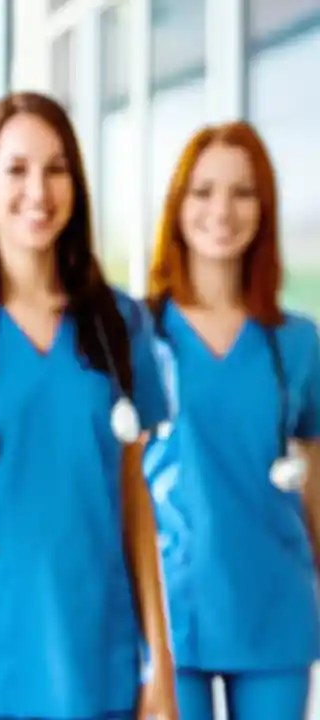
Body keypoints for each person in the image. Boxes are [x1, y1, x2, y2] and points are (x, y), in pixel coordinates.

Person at [0, 92, 178, 720]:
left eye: (57, 169)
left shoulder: (116, 322)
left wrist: (160, 668)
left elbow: (135, 503)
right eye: (18, 169)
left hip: (102, 662)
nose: (39, 190)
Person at [143, 121, 320, 720]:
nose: (222, 210)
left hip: (276, 610)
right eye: (203, 191)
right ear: (178, 206)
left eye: (243, 193)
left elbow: (316, 485)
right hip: (172, 613)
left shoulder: (297, 344)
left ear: (264, 209)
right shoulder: (137, 333)